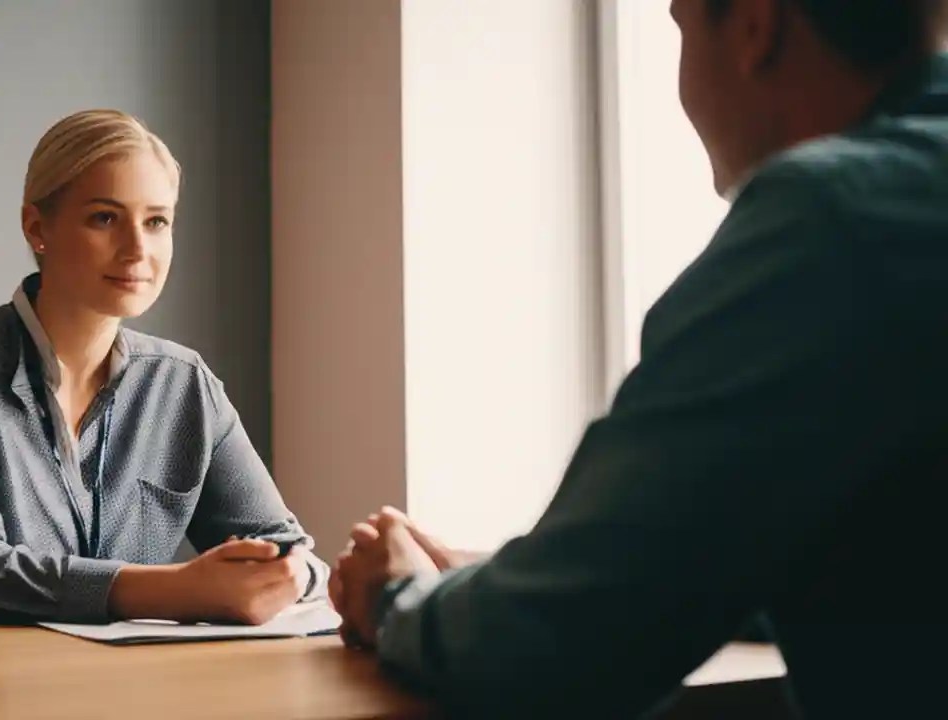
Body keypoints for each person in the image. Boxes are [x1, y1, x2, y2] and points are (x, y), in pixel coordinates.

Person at [332, 1, 948, 716]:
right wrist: (520, 574)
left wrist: (398, 594)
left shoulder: (829, 220)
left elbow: (549, 651)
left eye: (680, 26)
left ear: (756, 28)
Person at [0, 110, 328, 625]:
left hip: (113, 675)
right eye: (105, 218)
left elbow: (289, 550)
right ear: (37, 228)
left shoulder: (184, 384)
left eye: (156, 222)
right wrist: (175, 590)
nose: (137, 250)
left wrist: (289, 573)